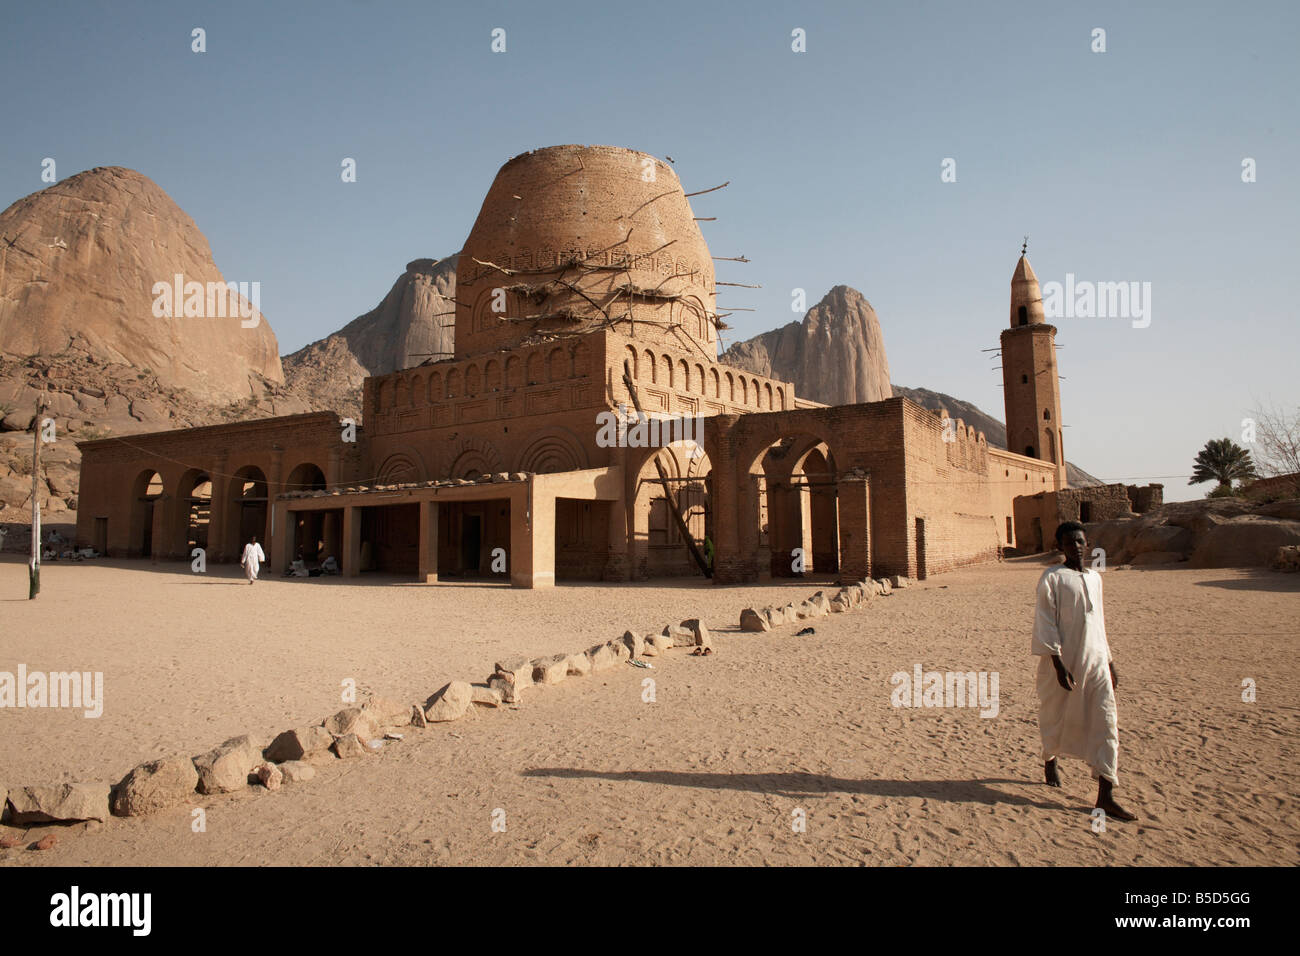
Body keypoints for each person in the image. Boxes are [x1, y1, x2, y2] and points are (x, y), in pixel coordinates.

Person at [1032, 520, 1137, 821]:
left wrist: (1110, 661)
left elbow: (1099, 623)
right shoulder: (1051, 578)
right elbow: (1045, 621)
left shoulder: (1095, 579)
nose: (1076, 547)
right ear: (1060, 547)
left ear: (1087, 543)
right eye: (1069, 543)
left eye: (1080, 541)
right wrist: (1056, 661)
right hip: (1065, 664)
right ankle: (1050, 757)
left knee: (1107, 722)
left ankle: (1105, 796)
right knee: (1055, 716)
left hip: (1097, 664)